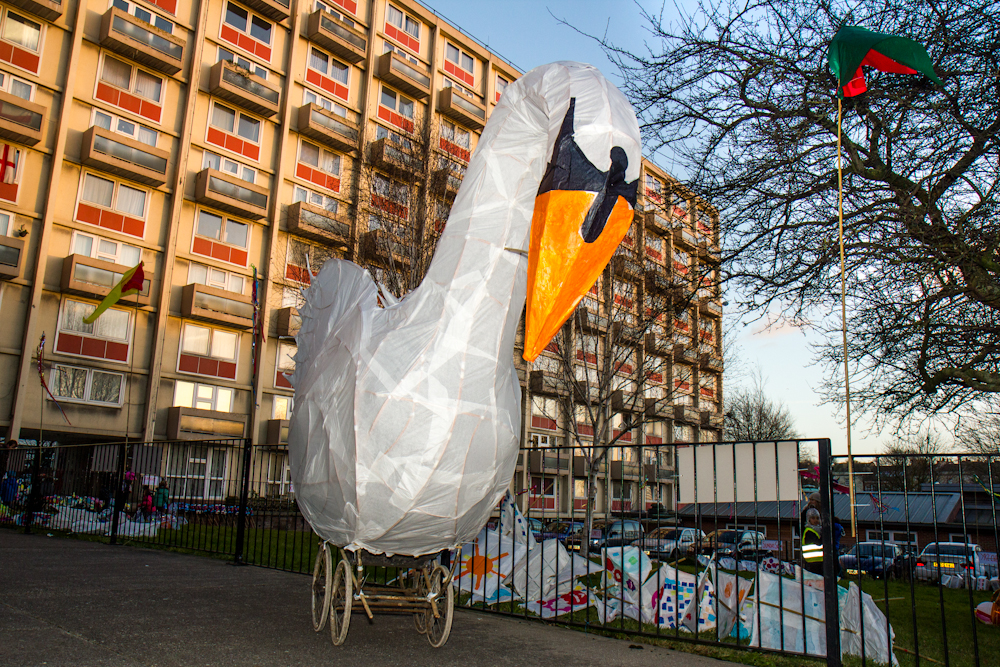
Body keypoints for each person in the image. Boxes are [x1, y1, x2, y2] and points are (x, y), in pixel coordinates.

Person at [802, 508, 824, 575]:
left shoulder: (817, 531)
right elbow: (818, 542)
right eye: (813, 518)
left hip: (818, 560)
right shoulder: (809, 531)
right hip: (812, 562)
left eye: (817, 518)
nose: (816, 520)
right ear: (809, 519)